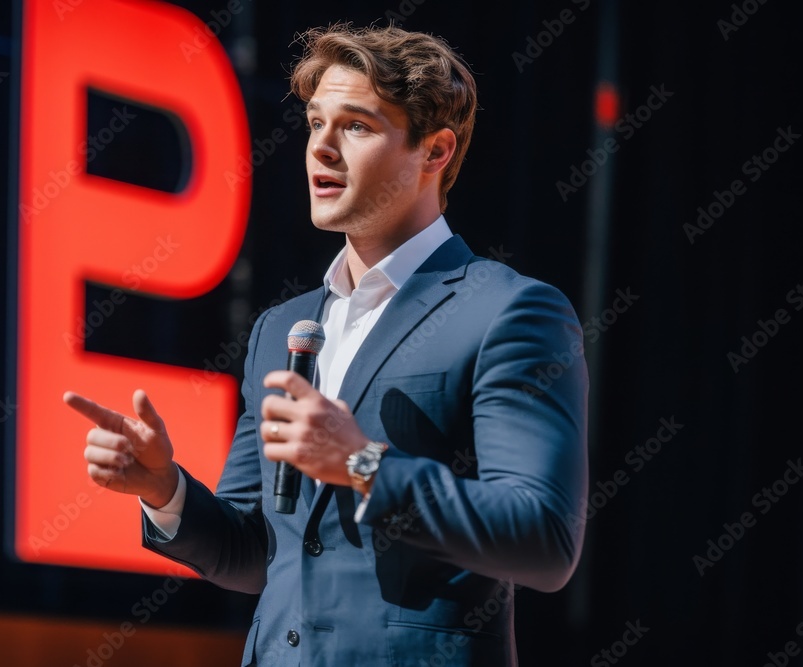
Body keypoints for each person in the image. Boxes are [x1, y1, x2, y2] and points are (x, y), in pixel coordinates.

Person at [64, 24, 588, 666]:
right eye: (316, 123)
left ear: (435, 151)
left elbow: (543, 540)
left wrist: (363, 464)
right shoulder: (283, 329)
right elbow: (255, 554)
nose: (323, 150)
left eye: (357, 127)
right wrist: (164, 489)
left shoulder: (507, 310)